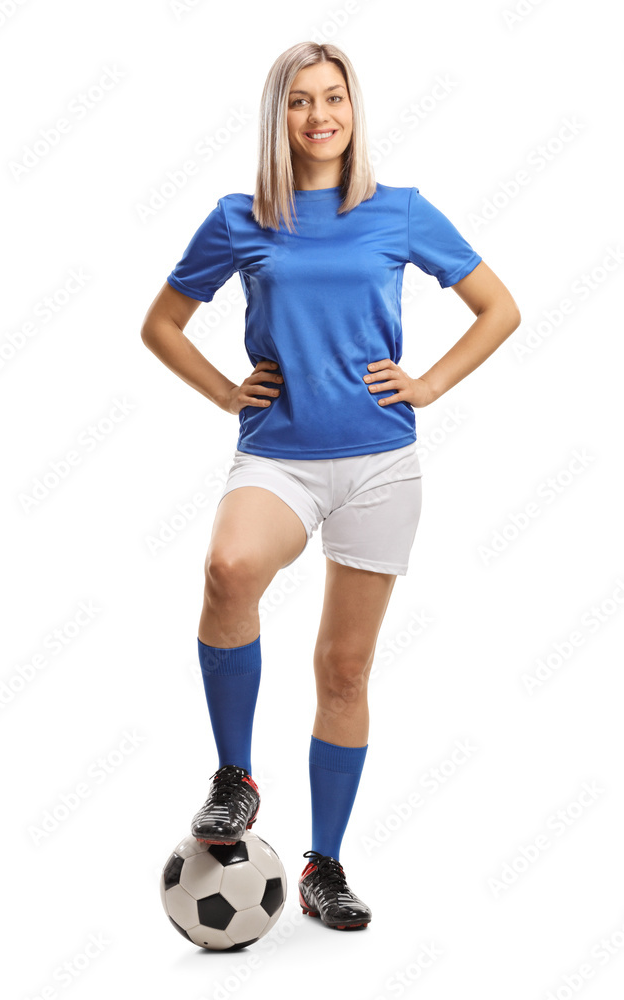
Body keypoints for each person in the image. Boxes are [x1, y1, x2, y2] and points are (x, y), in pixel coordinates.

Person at [141, 40, 521, 932]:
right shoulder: (239, 217)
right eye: (300, 102)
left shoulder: (399, 212)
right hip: (278, 455)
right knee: (230, 569)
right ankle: (234, 779)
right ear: (279, 117)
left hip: (381, 463)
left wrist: (425, 383)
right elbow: (161, 324)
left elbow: (498, 307)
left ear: (354, 111)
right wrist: (225, 392)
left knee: (343, 672)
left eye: (333, 99)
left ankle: (324, 868)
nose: (319, 117)